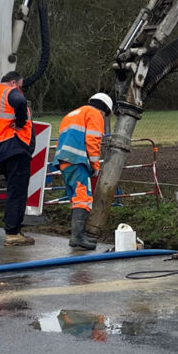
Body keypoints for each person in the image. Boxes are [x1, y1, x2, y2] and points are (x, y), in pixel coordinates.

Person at [55, 92, 113, 250]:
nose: (103, 116)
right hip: (78, 160)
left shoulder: (72, 114)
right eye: (105, 114)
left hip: (64, 160)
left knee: (75, 198)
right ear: (104, 109)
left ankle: (76, 236)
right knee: (83, 197)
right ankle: (78, 237)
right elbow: (93, 140)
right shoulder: (94, 114)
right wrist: (95, 166)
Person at [0, 71, 34, 246]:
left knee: (13, 190)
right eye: (20, 86)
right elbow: (20, 102)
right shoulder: (10, 91)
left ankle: (13, 228)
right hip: (14, 145)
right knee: (18, 191)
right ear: (13, 83)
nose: (21, 90)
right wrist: (20, 122)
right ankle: (12, 233)